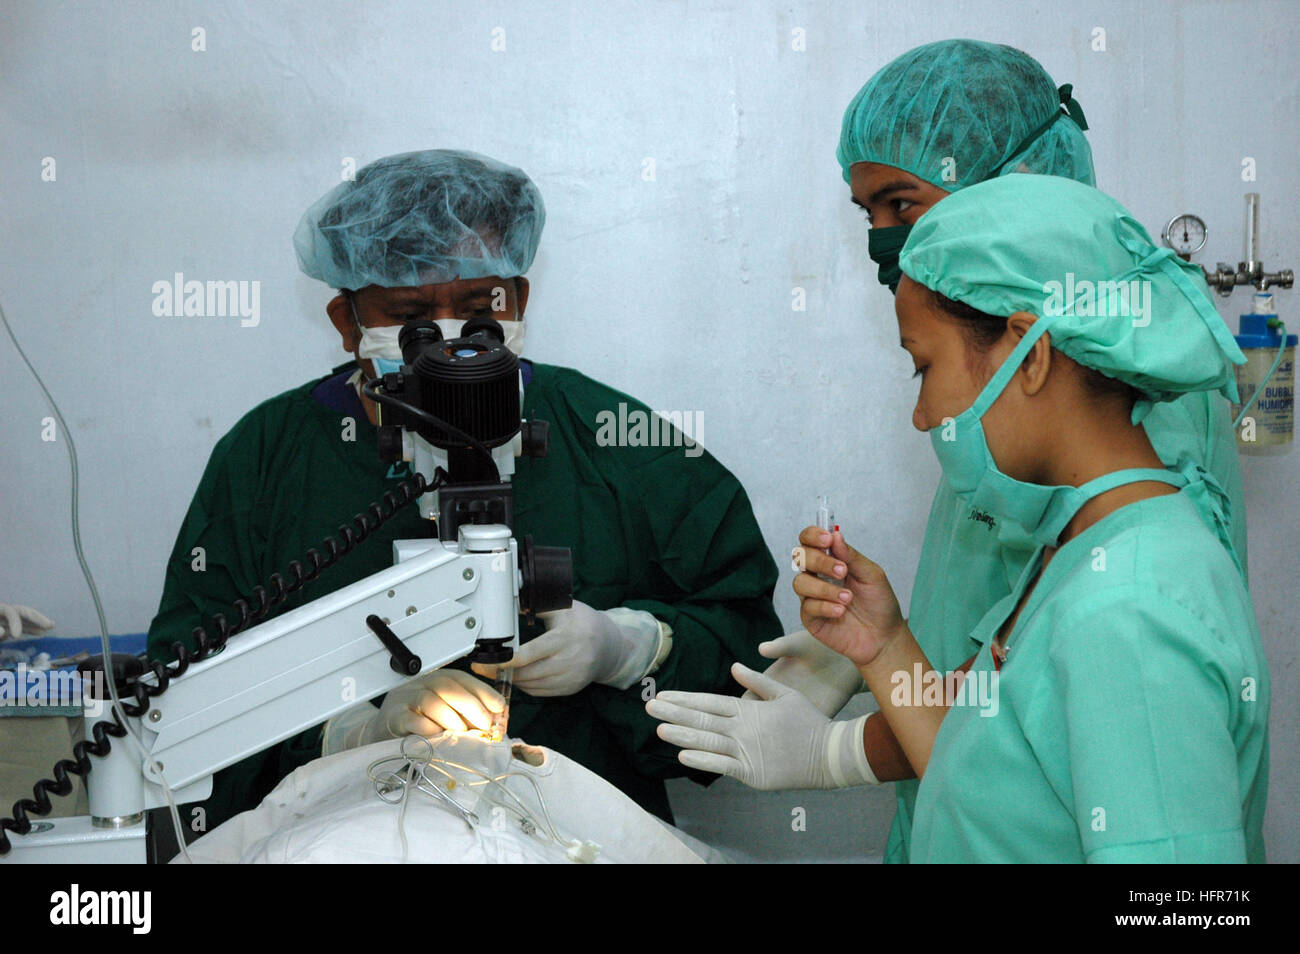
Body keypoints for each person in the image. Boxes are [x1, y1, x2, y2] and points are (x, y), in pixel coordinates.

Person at [649, 40, 1251, 864]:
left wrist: (835, 754)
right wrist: (884, 650)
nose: (921, 415)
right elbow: (1017, 732)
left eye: (924, 370)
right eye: (869, 215)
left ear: (1029, 352)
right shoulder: (1078, 535)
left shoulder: (1129, 603)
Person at [146, 149, 782, 831]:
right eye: (411, 313)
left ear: (520, 300)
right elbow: (181, 704)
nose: (449, 339)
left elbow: (753, 656)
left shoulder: (615, 439)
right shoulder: (267, 459)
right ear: (347, 322)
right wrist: (346, 735)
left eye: (479, 308)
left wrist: (628, 649)